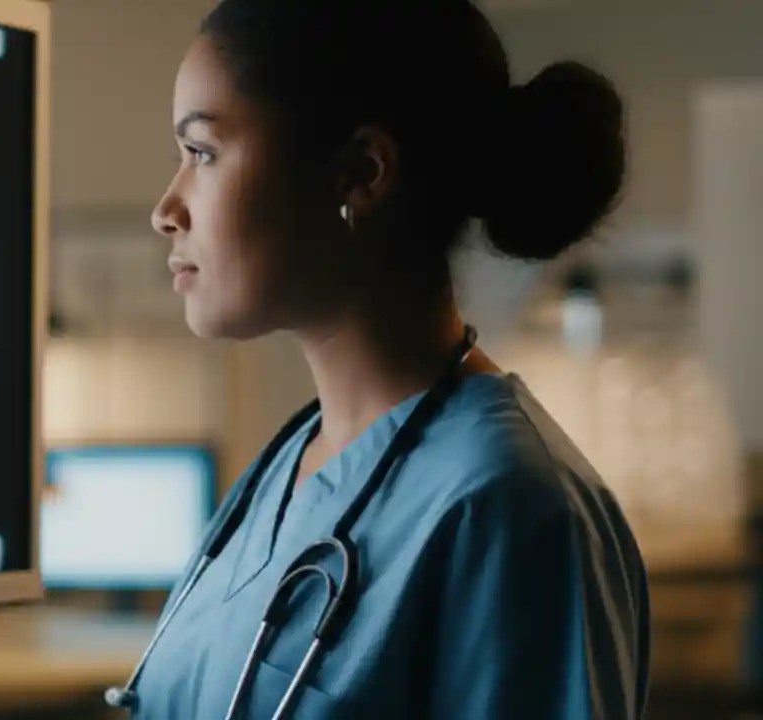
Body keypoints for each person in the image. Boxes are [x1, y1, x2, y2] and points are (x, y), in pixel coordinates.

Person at [132, 0, 650, 717]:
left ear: (362, 174)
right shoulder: (284, 468)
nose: (166, 209)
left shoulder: (508, 505)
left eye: (202, 153)